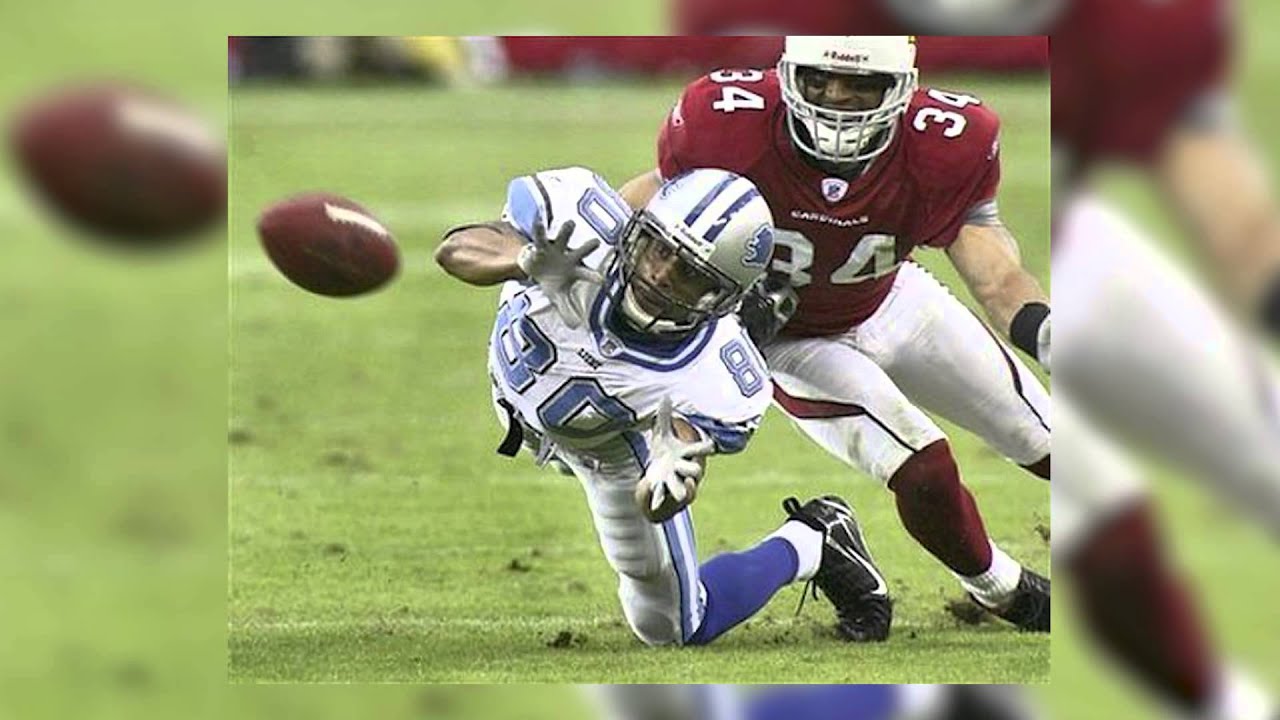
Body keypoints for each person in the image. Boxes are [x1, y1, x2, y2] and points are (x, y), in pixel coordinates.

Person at [621, 35, 1050, 634]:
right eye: (819, 79)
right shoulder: (727, 124)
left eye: (860, 83)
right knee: (922, 466)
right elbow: (645, 211)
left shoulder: (948, 139)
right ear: (788, 73)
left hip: (891, 298)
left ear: (901, 88)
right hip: (788, 341)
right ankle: (1000, 588)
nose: (836, 97)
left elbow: (996, 275)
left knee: (1052, 445)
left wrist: (1046, 332)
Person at [435, 166, 891, 646]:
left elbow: (664, 492)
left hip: (609, 448)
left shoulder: (715, 374)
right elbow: (454, 249)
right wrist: (524, 260)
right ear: (640, 230)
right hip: (523, 396)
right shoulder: (579, 225)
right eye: (660, 250)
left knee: (670, 628)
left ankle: (814, 540)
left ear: (721, 298)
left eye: (689, 275)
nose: (660, 275)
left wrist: (668, 476)